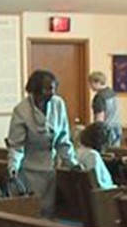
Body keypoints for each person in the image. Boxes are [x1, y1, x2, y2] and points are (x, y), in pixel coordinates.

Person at [6, 70, 79, 217]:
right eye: (48, 88)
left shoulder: (58, 104)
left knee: (47, 211)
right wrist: (13, 166)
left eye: (54, 88)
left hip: (50, 168)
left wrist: (72, 162)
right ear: (36, 89)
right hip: (28, 170)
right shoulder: (21, 110)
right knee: (32, 214)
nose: (52, 92)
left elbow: (63, 139)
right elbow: (16, 145)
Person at [87, 71, 122, 147]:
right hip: (117, 128)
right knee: (116, 151)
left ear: (97, 82)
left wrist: (95, 134)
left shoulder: (99, 97)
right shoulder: (113, 93)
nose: (89, 86)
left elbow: (100, 119)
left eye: (90, 83)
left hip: (106, 132)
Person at [77, 122, 115, 189]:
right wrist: (119, 188)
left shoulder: (78, 151)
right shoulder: (92, 155)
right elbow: (97, 186)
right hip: (104, 194)